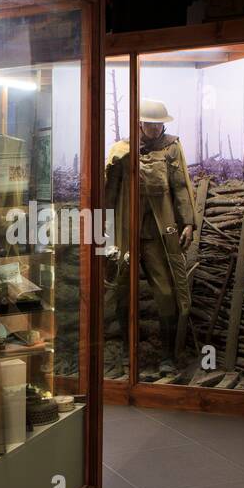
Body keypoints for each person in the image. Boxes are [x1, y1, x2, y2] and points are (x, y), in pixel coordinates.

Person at [103, 98, 196, 376]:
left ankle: (168, 355)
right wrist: (103, 229)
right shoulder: (120, 149)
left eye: (159, 124)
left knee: (167, 292)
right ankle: (129, 351)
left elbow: (181, 187)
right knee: (121, 290)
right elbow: (108, 192)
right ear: (139, 123)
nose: (155, 129)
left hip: (158, 232)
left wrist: (188, 223)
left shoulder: (171, 147)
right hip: (125, 231)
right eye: (150, 123)